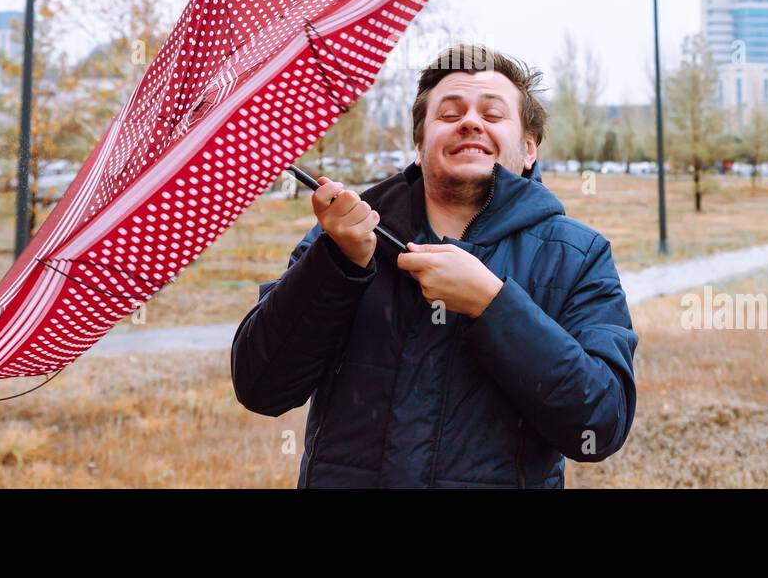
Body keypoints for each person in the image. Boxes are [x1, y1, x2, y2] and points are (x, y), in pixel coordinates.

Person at [230, 44, 638, 488]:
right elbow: (261, 387)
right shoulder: (343, 239)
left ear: (528, 148)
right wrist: (336, 265)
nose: (469, 122)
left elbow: (599, 427)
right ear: (421, 142)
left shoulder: (577, 257)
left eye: (493, 113)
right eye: (449, 113)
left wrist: (493, 304)